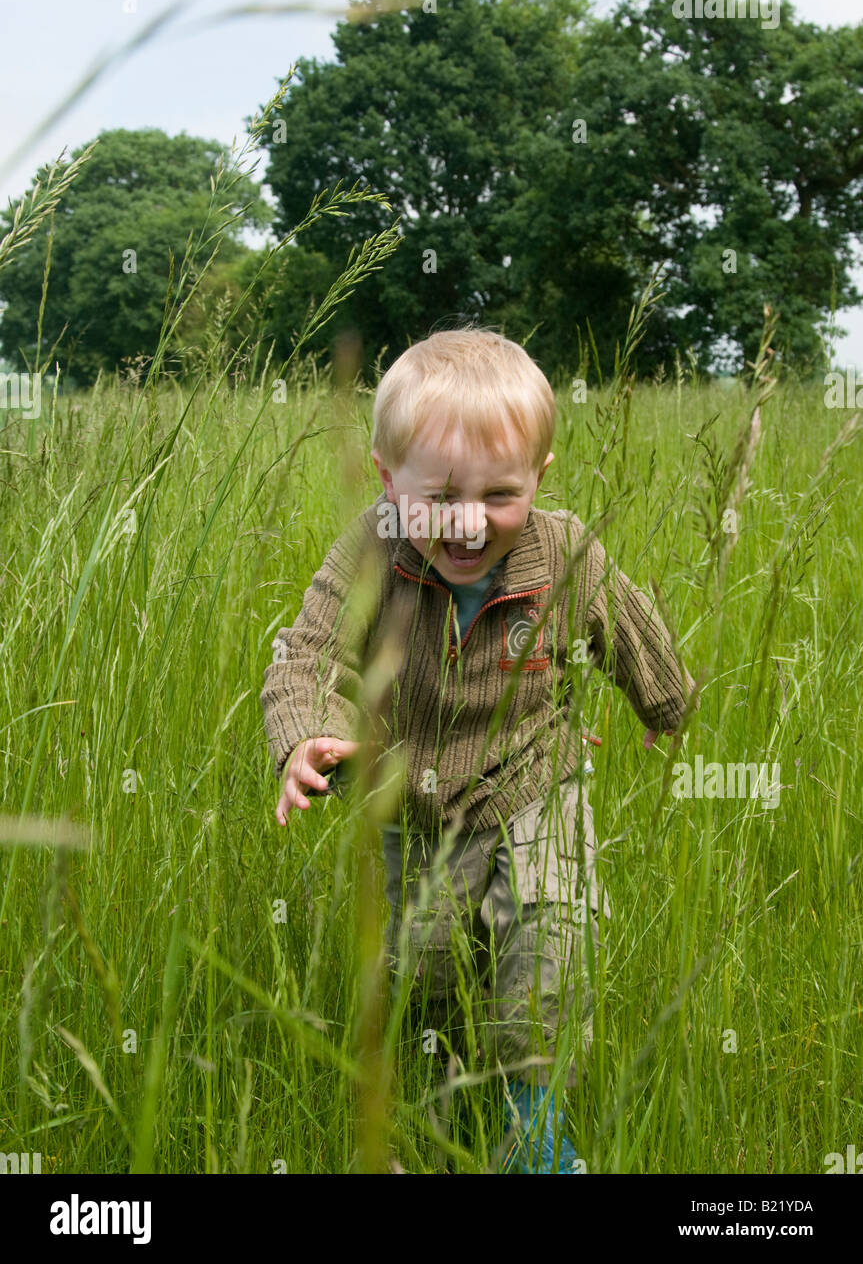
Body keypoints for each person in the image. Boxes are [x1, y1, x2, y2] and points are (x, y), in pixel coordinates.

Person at [260, 328, 698, 1173]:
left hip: (537, 779)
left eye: (500, 493)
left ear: (539, 477)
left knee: (546, 941)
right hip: (416, 801)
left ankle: (531, 1132)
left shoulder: (563, 549)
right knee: (422, 968)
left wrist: (665, 701)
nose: (468, 522)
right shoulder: (374, 548)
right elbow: (309, 649)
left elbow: (625, 623)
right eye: (440, 497)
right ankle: (438, 1092)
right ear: (390, 484)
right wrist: (307, 730)